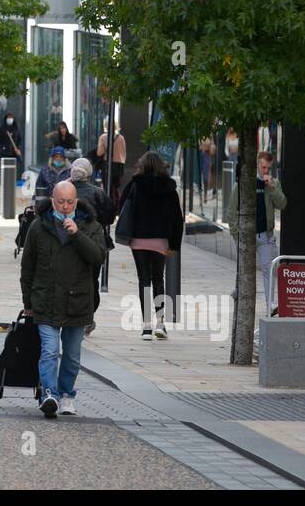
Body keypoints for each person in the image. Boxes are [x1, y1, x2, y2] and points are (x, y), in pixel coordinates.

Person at [20, 180, 105, 418]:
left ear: (76, 202)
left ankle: (67, 394)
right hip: (45, 300)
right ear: (52, 199)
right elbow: (28, 268)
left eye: (70, 202)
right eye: (60, 201)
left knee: (71, 355)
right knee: (48, 350)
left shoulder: (91, 226)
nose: (65, 207)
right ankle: (49, 394)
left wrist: (77, 235)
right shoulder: (39, 226)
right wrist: (28, 303)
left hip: (77, 302)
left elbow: (98, 258)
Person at [117, 151, 184, 340]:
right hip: (160, 240)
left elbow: (122, 206)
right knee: (158, 279)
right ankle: (161, 323)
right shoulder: (169, 188)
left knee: (144, 280)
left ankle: (146, 326)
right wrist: (174, 245)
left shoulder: (135, 184)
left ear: (143, 165)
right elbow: (177, 219)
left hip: (138, 239)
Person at [226, 150, 287, 312]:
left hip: (265, 235)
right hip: (246, 234)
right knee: (245, 268)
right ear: (256, 165)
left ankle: (270, 303)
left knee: (268, 268)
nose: (265, 171)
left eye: (268, 168)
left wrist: (272, 188)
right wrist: (235, 233)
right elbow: (231, 211)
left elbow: (282, 204)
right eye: (263, 167)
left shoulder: (273, 184)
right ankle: (240, 291)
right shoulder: (244, 183)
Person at [68, 158, 116, 337]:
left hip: (67, 242)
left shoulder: (65, 190)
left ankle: (73, 315)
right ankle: (87, 317)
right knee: (91, 281)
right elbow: (110, 217)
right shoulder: (98, 193)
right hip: (94, 244)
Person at [87, 124, 127, 203]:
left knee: (108, 188)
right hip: (119, 166)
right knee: (116, 188)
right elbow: (124, 154)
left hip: (108, 165)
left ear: (105, 126)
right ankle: (117, 207)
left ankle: (110, 206)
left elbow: (99, 153)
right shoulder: (121, 138)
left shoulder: (103, 137)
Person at [0, 111, 23, 184]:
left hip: (13, 152)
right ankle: (4, 181)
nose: (10, 119)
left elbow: (19, 139)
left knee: (13, 167)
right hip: (4, 152)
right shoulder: (2, 129)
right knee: (4, 167)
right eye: (8, 117)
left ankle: (12, 180)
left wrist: (18, 148)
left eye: (11, 117)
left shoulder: (16, 129)